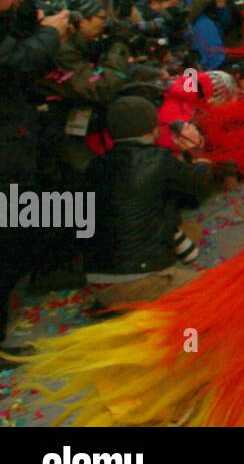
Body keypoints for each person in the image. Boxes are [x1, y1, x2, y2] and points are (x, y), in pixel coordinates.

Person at [0, 0, 73, 367]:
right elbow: (12, 62)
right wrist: (49, 35)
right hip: (1, 160)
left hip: (11, 150)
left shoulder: (6, 18)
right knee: (3, 245)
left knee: (13, 241)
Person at [84, 96, 214, 310]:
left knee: (192, 230)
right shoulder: (158, 159)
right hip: (138, 281)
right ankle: (137, 304)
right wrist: (195, 148)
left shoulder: (95, 164)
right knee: (222, 291)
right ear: (153, 128)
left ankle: (118, 302)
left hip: (96, 280)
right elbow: (200, 184)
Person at [42, 0, 132, 177]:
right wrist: (118, 47)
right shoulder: (61, 50)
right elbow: (99, 86)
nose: (105, 24)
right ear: (81, 20)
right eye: (101, 17)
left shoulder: (76, 46)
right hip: (51, 132)